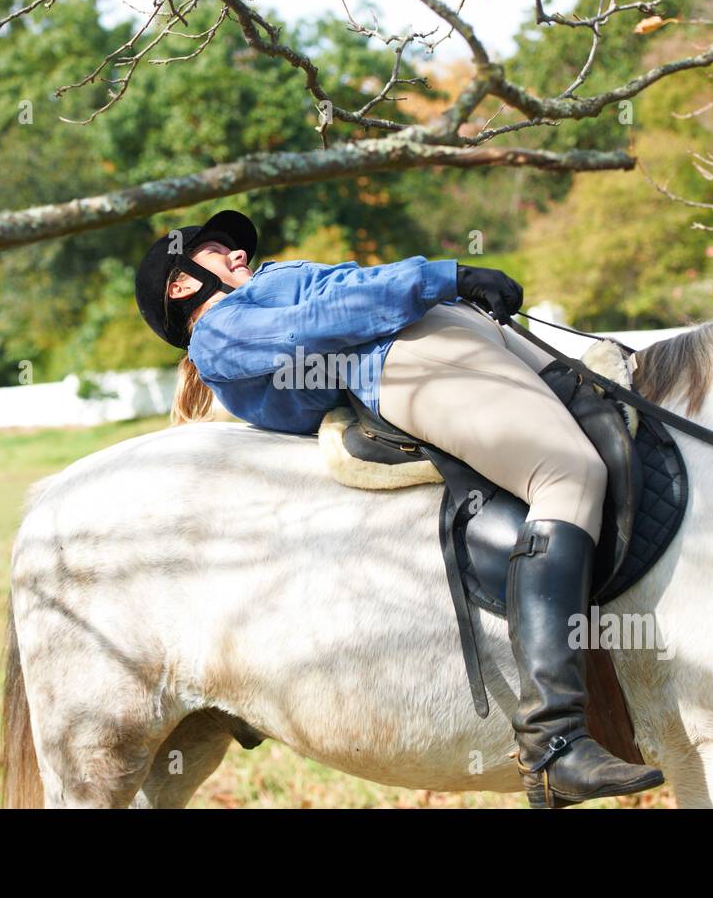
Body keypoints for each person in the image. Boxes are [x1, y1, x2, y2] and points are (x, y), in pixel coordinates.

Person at [134, 209, 665, 808]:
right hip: (402, 365)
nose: (235, 253)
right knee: (567, 475)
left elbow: (352, 288)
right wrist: (442, 275)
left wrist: (449, 288)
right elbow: (316, 323)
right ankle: (552, 741)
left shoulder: (269, 283)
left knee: (617, 412)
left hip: (458, 330)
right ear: (181, 286)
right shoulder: (218, 334)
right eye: (214, 251)